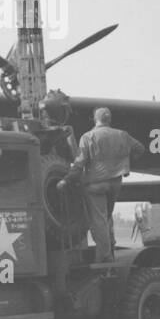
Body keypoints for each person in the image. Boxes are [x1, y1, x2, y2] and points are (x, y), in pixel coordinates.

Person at [62, 107, 146, 262]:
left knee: (98, 220)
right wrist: (125, 165)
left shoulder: (88, 137)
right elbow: (140, 149)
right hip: (115, 183)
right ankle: (110, 246)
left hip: (95, 185)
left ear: (95, 119)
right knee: (106, 216)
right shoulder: (122, 135)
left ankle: (106, 256)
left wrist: (66, 179)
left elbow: (79, 164)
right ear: (109, 119)